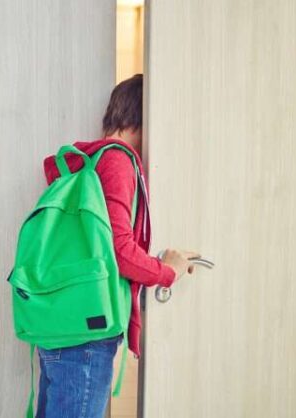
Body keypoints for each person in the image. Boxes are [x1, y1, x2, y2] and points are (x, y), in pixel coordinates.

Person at [36, 74, 199, 418]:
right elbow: (119, 250)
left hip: (62, 325)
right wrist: (167, 271)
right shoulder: (118, 161)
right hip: (86, 337)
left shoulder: (86, 163)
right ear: (144, 113)